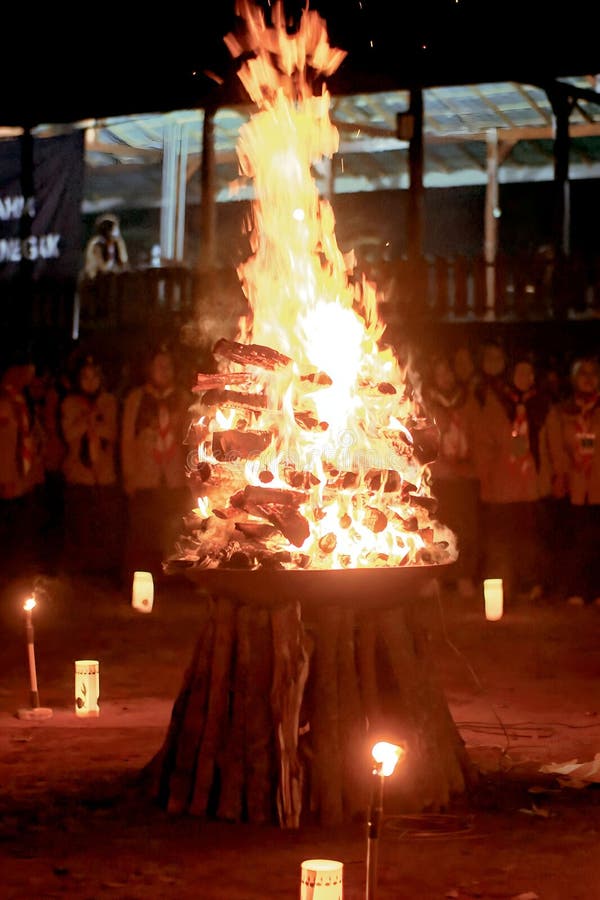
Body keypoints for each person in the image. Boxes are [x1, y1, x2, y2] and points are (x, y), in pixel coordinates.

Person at [473, 353, 550, 604]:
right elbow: (483, 445)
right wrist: (485, 476)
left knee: (529, 539)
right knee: (501, 542)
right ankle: (504, 587)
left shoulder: (540, 405)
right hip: (502, 487)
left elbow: (547, 445)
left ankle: (531, 584)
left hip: (529, 486)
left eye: (529, 374)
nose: (525, 378)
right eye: (519, 373)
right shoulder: (496, 404)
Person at [121, 342, 193, 584]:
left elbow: (191, 440)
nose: (164, 370)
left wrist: (192, 478)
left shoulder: (183, 399)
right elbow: (127, 439)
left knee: (173, 532)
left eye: (168, 366)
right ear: (149, 369)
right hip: (145, 478)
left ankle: (172, 581)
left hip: (174, 479)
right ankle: (142, 581)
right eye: (158, 366)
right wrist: (129, 474)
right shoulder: (137, 398)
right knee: (144, 533)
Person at [423, 353, 481, 597]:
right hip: (438, 476)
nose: (445, 378)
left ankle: (464, 576)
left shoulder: (468, 400)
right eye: (440, 373)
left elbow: (479, 432)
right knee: (437, 528)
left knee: (466, 528)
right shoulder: (426, 401)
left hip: (464, 475)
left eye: (448, 372)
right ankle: (436, 577)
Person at [60, 354, 122, 580]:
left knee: (102, 526)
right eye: (85, 377)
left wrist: (94, 422)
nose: (90, 381)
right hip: (79, 474)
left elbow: (112, 431)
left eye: (94, 377)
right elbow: (69, 434)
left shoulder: (108, 401)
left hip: (104, 475)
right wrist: (89, 420)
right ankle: (78, 573)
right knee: (80, 525)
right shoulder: (70, 402)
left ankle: (101, 572)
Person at [545, 356, 600, 605]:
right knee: (577, 539)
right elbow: (556, 447)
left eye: (593, 373)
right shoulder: (561, 411)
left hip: (598, 482)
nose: (588, 378)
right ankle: (577, 589)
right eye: (582, 373)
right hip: (575, 484)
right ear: (574, 379)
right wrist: (562, 473)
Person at [0, 349, 47, 579]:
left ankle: (18, 575)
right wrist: (5, 478)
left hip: (25, 479)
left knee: (22, 532)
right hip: (8, 481)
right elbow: (6, 445)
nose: (30, 377)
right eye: (26, 372)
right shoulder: (5, 403)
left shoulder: (23, 400)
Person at [82, 213, 129, 280]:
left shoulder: (117, 244)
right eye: (114, 229)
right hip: (99, 281)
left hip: (114, 279)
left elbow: (123, 262)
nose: (117, 232)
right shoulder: (97, 245)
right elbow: (101, 267)